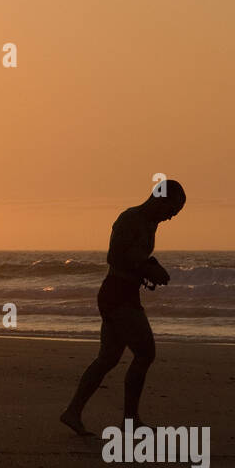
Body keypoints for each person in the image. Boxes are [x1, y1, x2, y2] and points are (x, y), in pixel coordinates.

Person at [60, 180, 186, 434]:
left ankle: (73, 412)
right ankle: (130, 420)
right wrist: (148, 268)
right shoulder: (131, 219)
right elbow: (114, 256)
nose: (170, 218)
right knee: (145, 353)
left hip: (126, 294)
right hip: (116, 294)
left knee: (107, 359)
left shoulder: (151, 223)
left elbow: (134, 255)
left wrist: (150, 266)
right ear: (158, 199)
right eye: (171, 210)